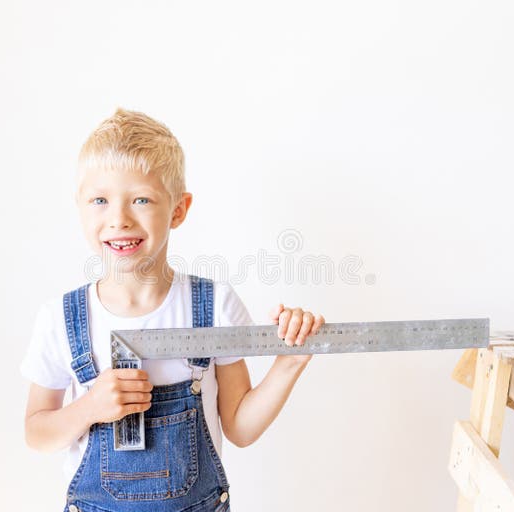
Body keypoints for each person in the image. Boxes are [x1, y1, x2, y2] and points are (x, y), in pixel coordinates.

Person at [21, 108, 325, 512]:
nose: (118, 219)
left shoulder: (215, 306)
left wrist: (289, 362)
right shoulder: (60, 319)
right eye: (100, 200)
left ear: (179, 210)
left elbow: (240, 427)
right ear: (79, 206)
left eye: (141, 199)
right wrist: (89, 408)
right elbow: (37, 432)